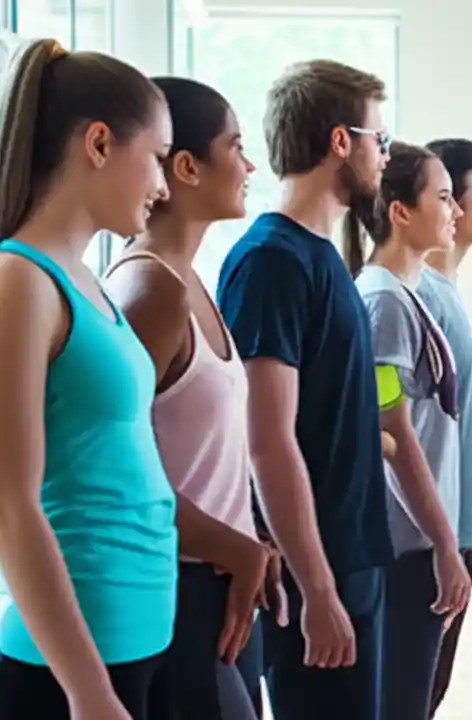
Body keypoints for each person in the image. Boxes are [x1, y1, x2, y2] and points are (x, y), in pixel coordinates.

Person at [0, 39, 178, 719]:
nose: (163, 186)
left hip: (134, 637)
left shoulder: (85, 281)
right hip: (71, 666)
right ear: (99, 144)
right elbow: (10, 503)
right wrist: (87, 691)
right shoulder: (20, 280)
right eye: (157, 157)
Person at [102, 76, 286, 720]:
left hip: (225, 582)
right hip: (181, 585)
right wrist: (233, 546)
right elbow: (118, 472)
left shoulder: (189, 282)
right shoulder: (149, 291)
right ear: (185, 167)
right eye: (235, 147)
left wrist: (251, 536)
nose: (249, 166)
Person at [215, 58, 393, 720]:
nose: (384, 155)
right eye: (379, 138)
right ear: (340, 141)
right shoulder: (272, 261)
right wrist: (316, 587)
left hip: (353, 557)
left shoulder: (323, 256)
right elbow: (267, 440)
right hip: (318, 571)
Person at [344, 140, 471, 720]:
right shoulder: (384, 302)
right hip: (405, 545)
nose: (455, 211)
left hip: (418, 541)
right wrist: (444, 541)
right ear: (400, 211)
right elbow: (391, 430)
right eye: (443, 198)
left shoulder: (405, 295)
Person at [421, 137, 472, 717]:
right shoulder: (418, 295)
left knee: (432, 690)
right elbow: (400, 421)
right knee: (417, 693)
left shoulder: (447, 293)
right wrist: (445, 538)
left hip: (456, 528)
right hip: (431, 533)